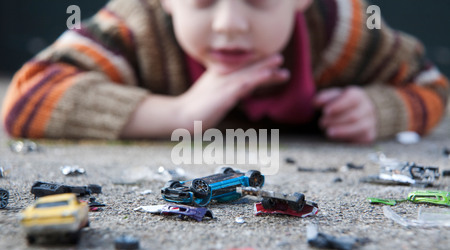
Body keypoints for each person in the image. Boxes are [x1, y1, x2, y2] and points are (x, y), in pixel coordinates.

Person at [1, 0, 448, 143]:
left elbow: (429, 85)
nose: (229, 23)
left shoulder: (342, 28)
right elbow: (26, 99)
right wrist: (176, 114)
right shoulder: (135, 26)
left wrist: (384, 108)